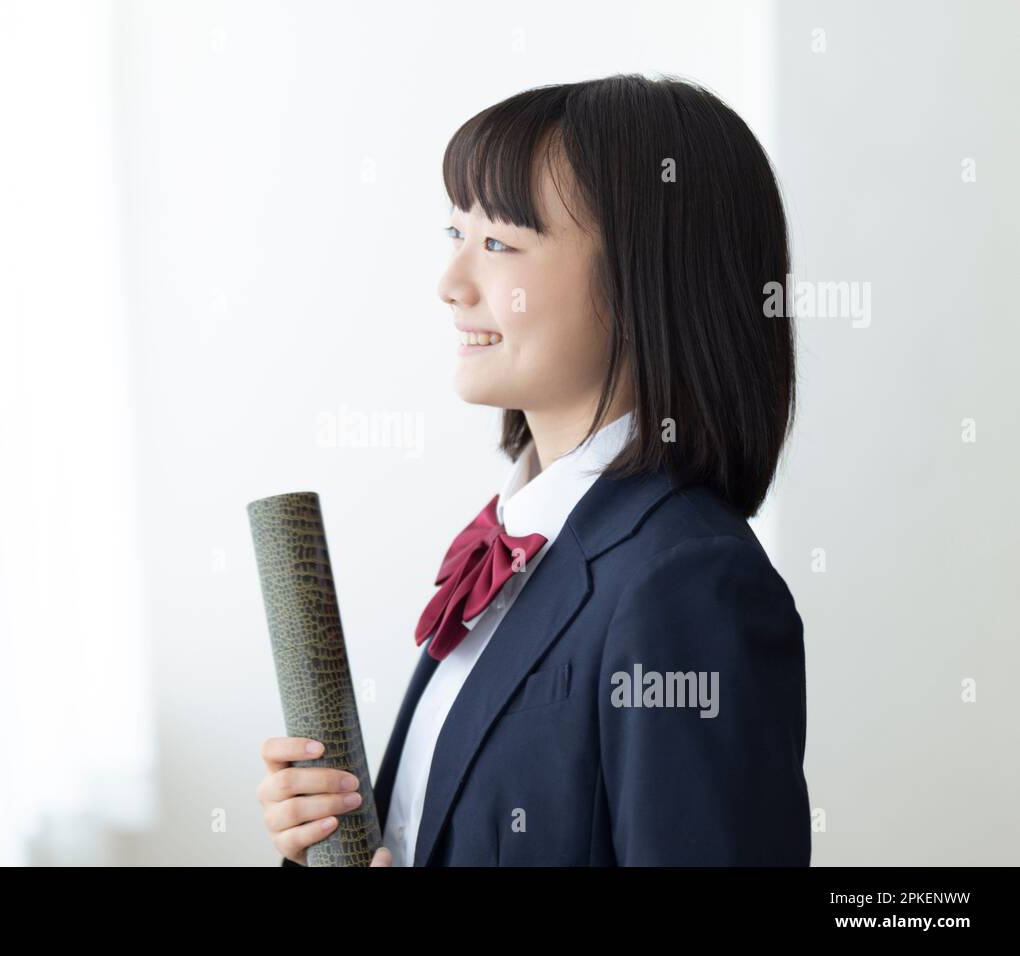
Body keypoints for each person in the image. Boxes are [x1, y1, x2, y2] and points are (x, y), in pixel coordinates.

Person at [257, 74, 810, 866]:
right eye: (455, 236)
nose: (450, 286)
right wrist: (325, 839)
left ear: (641, 278)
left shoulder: (687, 581)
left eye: (498, 245)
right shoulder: (515, 545)